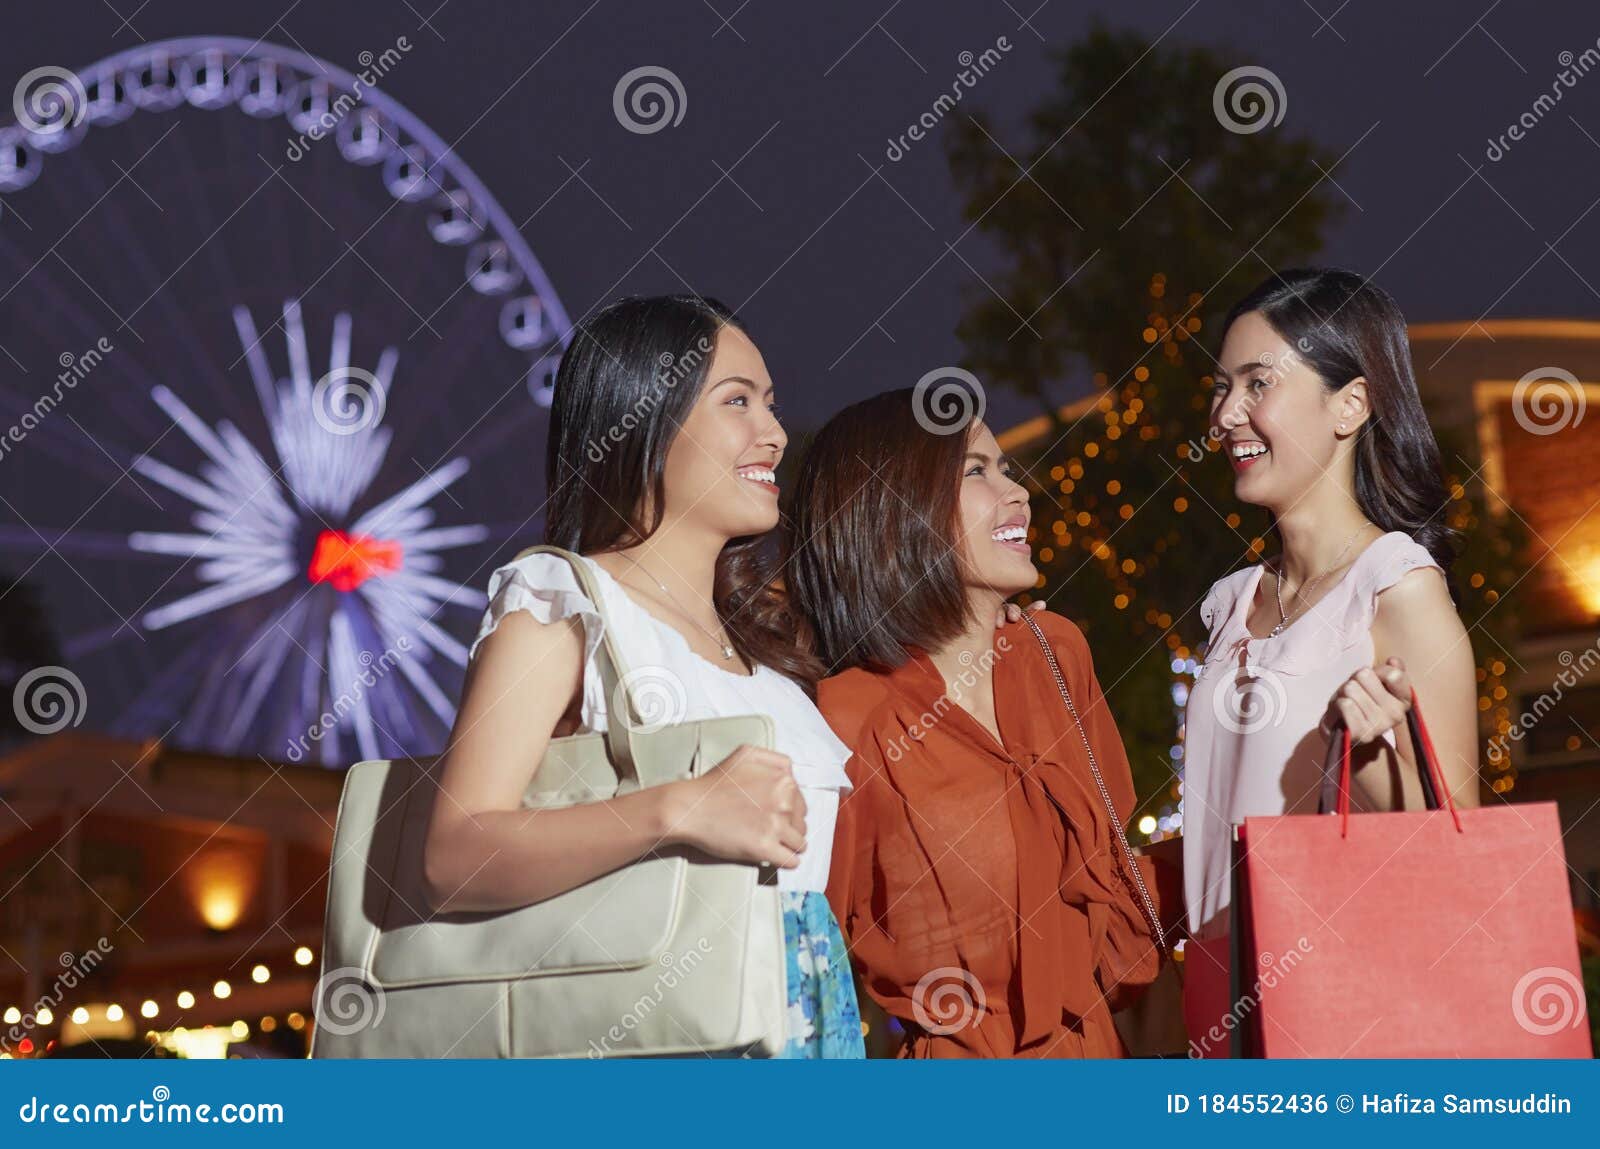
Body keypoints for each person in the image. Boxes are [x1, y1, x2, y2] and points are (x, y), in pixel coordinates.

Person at [422, 294, 864, 1057]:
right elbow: (454, 854)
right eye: (738, 402)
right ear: (646, 421)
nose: (775, 433)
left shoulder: (770, 662)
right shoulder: (564, 607)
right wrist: (678, 808)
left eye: (771, 404)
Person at [788, 387, 1166, 1057]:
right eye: (977, 471)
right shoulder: (847, 714)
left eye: (1005, 467)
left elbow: (1121, 887)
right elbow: (797, 950)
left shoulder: (1055, 652)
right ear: (895, 511)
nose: (1017, 492)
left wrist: (1259, 854)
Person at [1181, 267, 1480, 1056]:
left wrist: (1378, 755)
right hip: (1220, 996)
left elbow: (1456, 849)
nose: (1227, 414)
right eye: (1221, 388)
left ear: (1351, 403)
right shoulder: (1230, 602)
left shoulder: (1397, 587)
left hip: (1342, 1016)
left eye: (1257, 384)